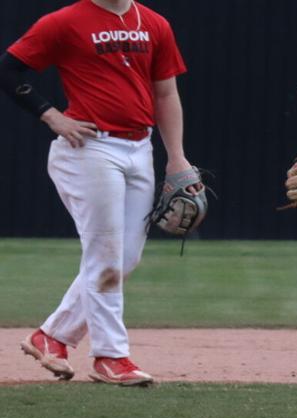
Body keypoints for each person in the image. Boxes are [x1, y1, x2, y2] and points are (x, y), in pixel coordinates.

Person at [3, 0, 199, 386]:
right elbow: (7, 70)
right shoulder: (64, 21)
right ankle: (111, 356)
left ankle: (52, 336)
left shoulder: (155, 23)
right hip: (89, 148)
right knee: (106, 254)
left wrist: (177, 157)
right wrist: (51, 115)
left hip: (140, 147)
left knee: (125, 258)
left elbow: (165, 94)